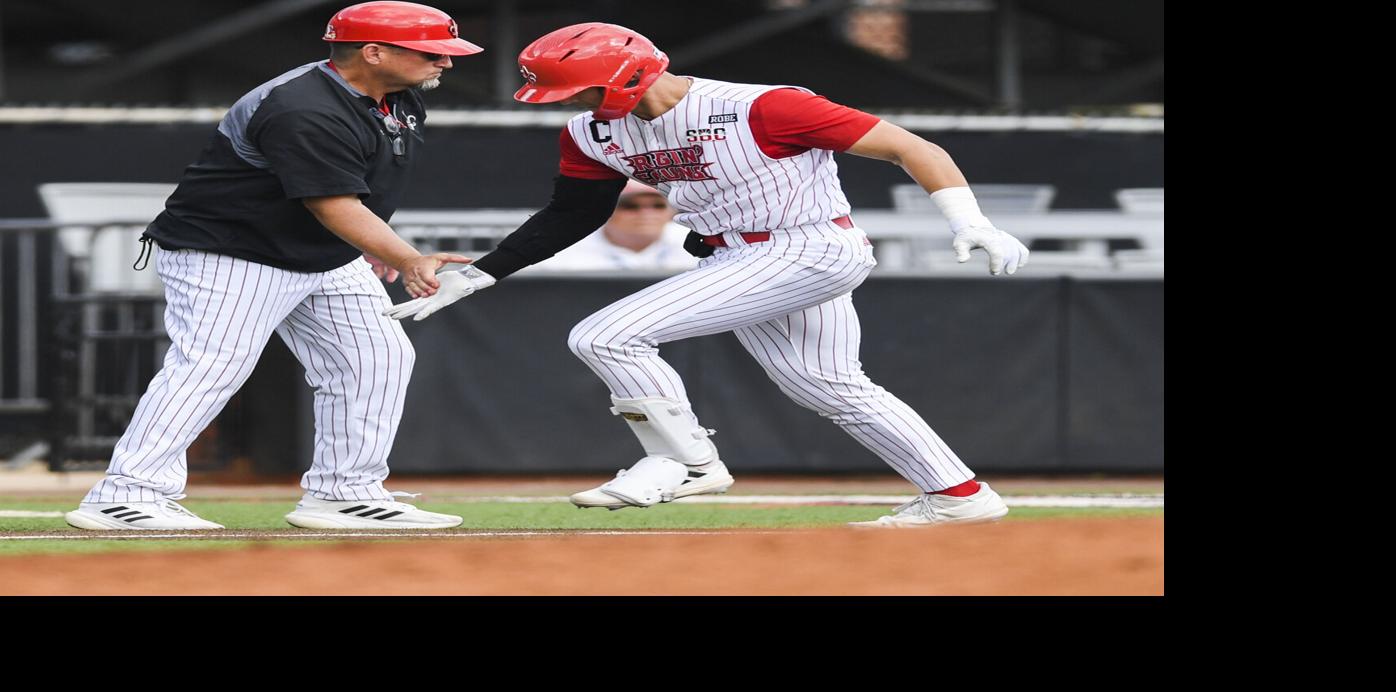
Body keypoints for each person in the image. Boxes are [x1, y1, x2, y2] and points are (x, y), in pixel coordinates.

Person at [386, 22, 1031, 528]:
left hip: (809, 246)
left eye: (579, 88)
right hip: (734, 255)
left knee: (605, 336)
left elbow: (909, 145)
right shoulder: (591, 132)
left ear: (629, 74)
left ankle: (688, 461)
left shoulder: (764, 107)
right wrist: (487, 273)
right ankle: (958, 494)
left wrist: (967, 219)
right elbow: (572, 213)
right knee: (830, 388)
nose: (571, 104)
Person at [64, 1, 482, 531]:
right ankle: (126, 496)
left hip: (320, 255)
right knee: (212, 366)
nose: (445, 62)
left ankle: (344, 493)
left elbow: (362, 186)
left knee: (377, 359)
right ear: (373, 53)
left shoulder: (396, 98)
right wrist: (404, 255)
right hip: (230, 250)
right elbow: (331, 203)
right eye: (431, 52)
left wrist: (371, 242)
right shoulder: (301, 106)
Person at [528, 180, 694, 272]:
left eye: (657, 206)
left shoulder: (699, 243)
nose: (646, 213)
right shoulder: (564, 249)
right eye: (630, 206)